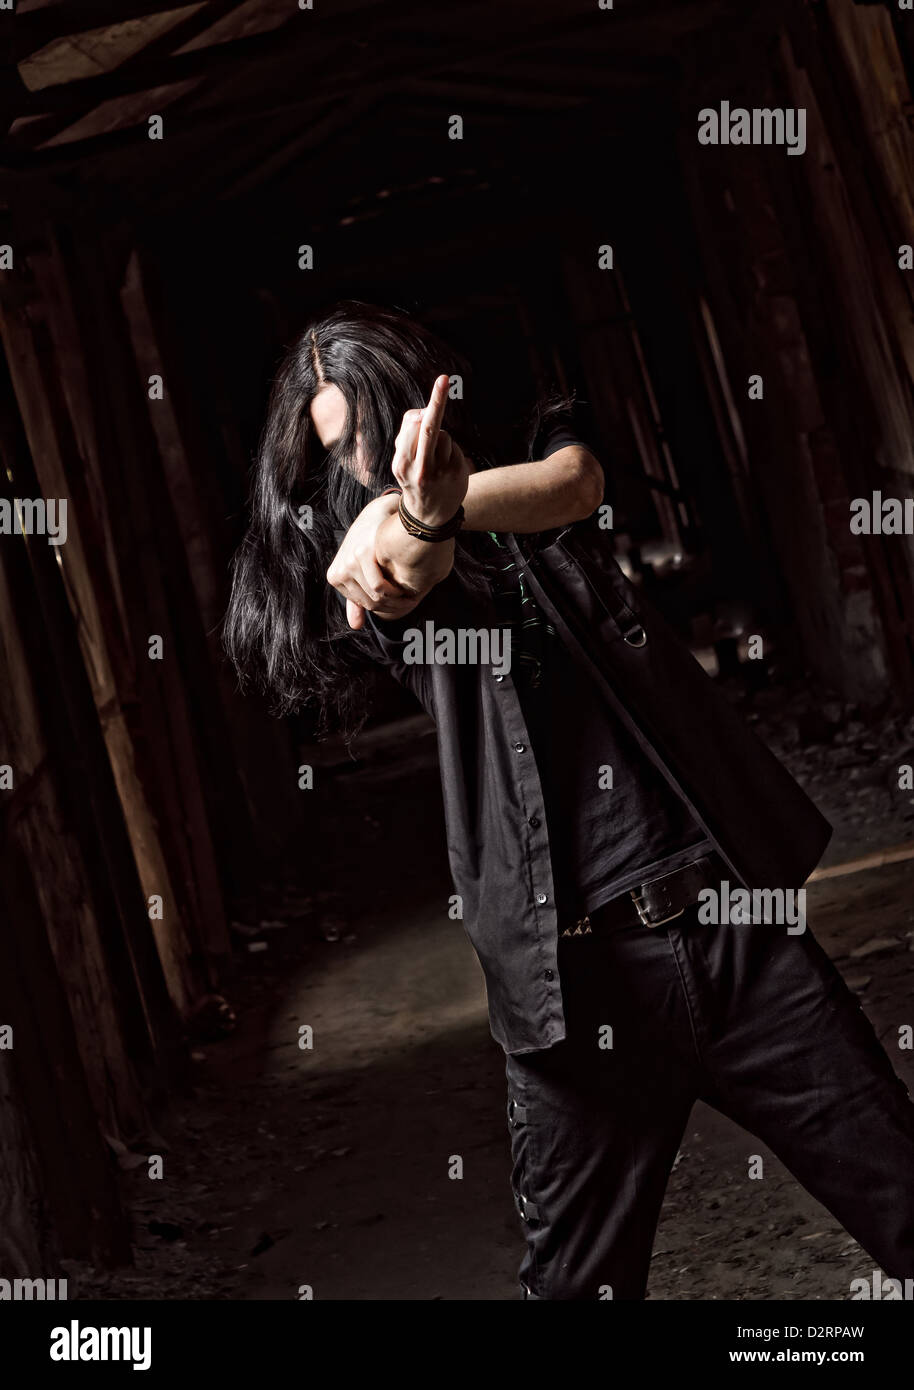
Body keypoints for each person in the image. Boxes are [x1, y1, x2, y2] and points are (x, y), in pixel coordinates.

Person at [226, 300, 914, 1300]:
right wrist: (415, 522)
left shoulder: (537, 443)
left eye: (381, 428)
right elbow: (411, 572)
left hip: (731, 935)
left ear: (432, 396)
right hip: (578, 986)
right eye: (345, 454)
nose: (374, 464)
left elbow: (573, 483)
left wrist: (443, 500)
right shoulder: (365, 564)